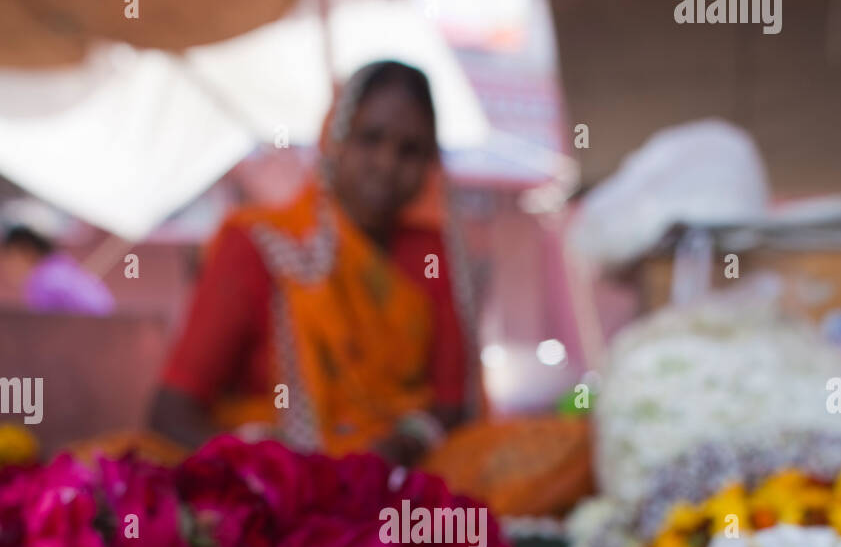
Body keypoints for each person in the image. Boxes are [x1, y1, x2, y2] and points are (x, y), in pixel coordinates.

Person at [150, 60, 482, 466]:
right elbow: (172, 411)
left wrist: (403, 446)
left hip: (394, 482)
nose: (387, 164)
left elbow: (451, 407)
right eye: (370, 139)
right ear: (333, 141)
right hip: (276, 485)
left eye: (410, 150)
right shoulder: (263, 246)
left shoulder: (432, 256)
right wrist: (271, 467)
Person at [0, 224, 115, 316]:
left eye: (9, 257)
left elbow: (45, 331)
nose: (6, 266)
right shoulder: (64, 271)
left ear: (25, 250)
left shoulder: (43, 282)